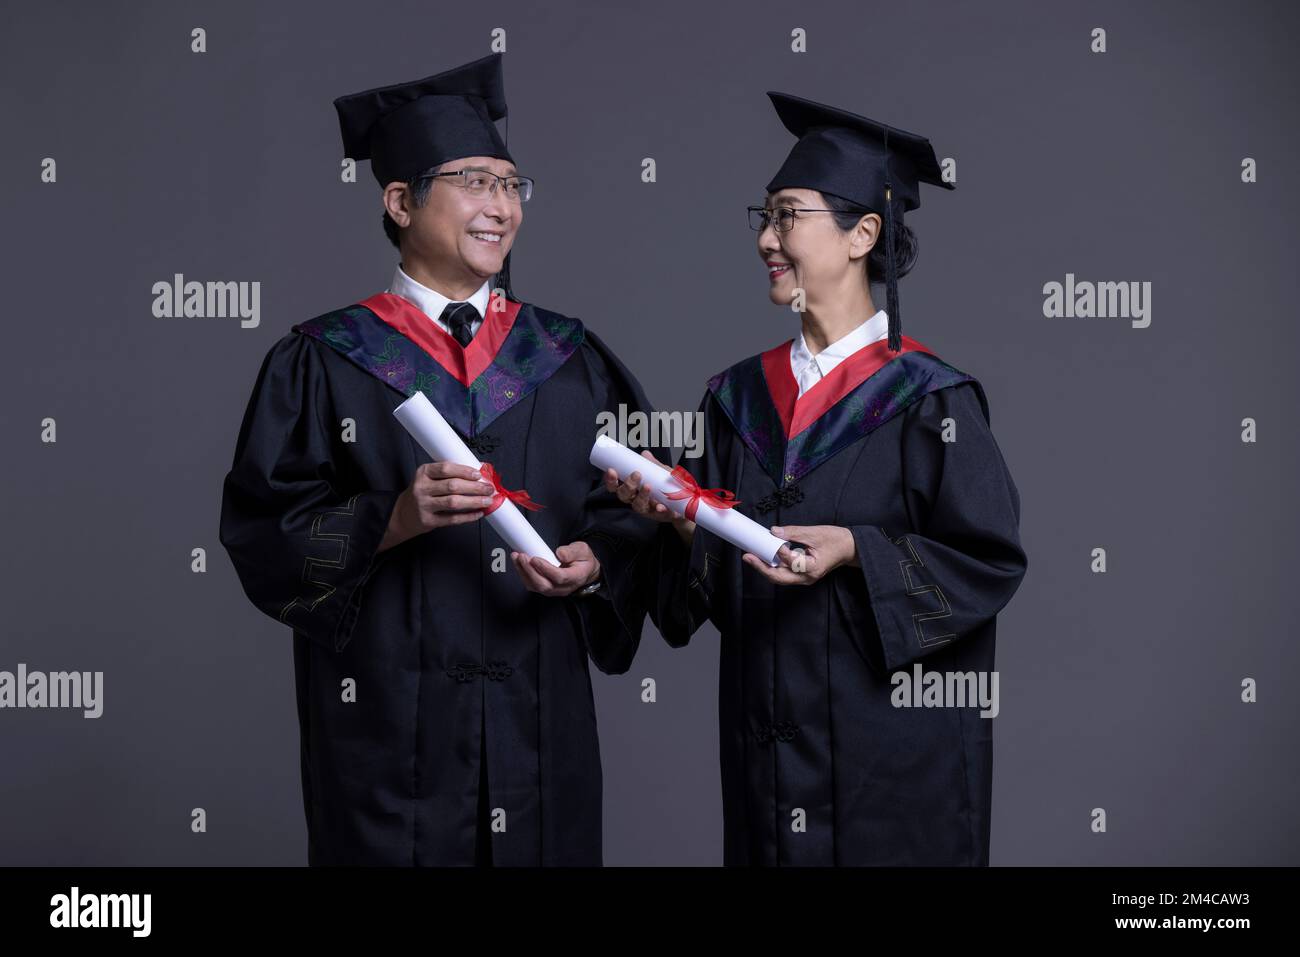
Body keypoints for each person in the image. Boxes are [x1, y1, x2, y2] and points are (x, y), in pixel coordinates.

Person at [219, 53, 664, 866]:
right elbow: (262, 533)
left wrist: (597, 559)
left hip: (540, 734)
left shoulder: (567, 356)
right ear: (399, 201)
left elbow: (641, 511)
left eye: (511, 185)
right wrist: (391, 518)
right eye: (474, 182)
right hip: (390, 743)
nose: (501, 206)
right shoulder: (325, 358)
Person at [604, 91, 1028, 865]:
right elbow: (692, 596)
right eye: (763, 217)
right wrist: (677, 523)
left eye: (787, 215)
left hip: (895, 768)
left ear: (863, 231)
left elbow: (987, 561)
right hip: (768, 762)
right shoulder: (735, 400)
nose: (766, 238)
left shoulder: (933, 401)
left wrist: (860, 551)